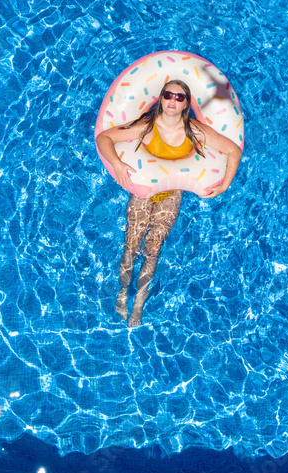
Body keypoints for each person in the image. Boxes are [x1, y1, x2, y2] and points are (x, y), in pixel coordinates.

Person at [95, 80, 242, 327]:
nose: (173, 100)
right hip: (142, 191)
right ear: (161, 99)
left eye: (180, 97)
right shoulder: (148, 126)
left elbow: (233, 150)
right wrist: (118, 164)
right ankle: (123, 290)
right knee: (131, 245)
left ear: (187, 104)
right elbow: (104, 138)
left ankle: (139, 302)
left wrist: (225, 184)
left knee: (153, 250)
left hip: (171, 194)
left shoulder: (194, 131)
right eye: (168, 95)